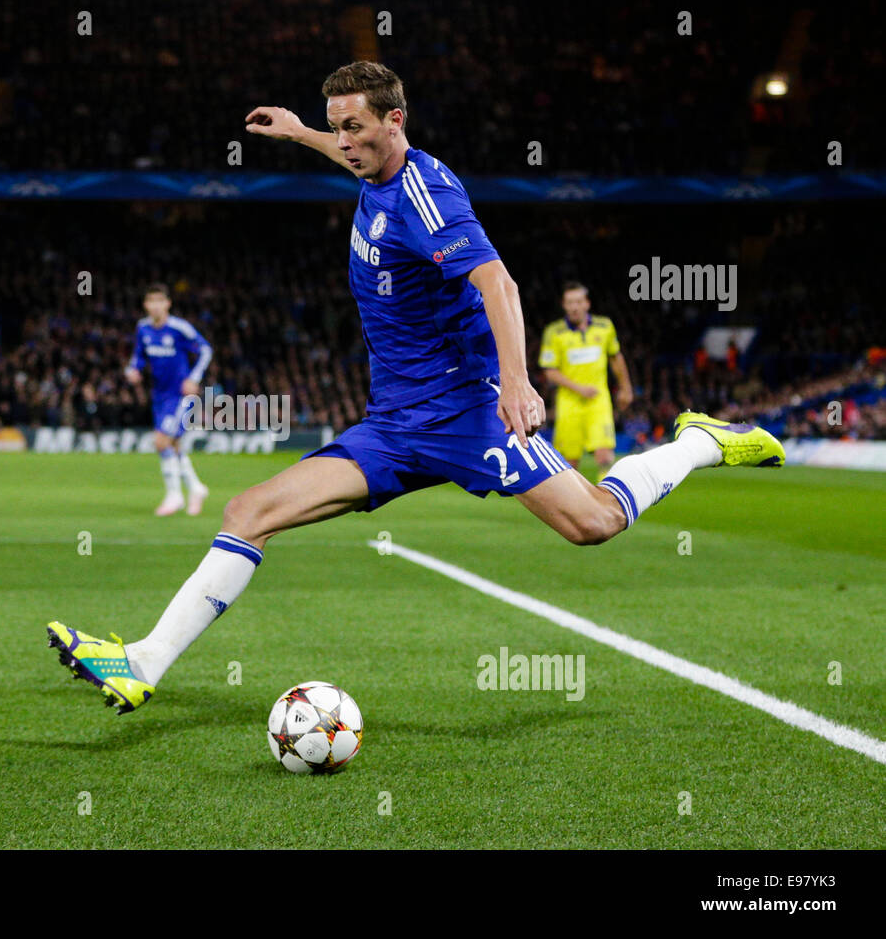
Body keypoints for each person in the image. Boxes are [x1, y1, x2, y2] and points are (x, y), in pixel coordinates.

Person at [47, 61, 784, 713]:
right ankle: (143, 662)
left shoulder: (427, 196)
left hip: (468, 415)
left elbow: (497, 279)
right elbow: (360, 164)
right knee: (249, 509)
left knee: (592, 523)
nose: (346, 141)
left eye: (356, 128)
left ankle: (695, 443)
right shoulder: (378, 172)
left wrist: (518, 383)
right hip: (394, 424)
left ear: (396, 120)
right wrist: (304, 132)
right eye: (338, 128)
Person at [125, 283, 212, 516]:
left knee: (161, 441)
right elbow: (139, 355)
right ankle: (196, 488)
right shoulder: (142, 328)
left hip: (180, 394)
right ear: (145, 305)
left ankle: (174, 496)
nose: (155, 306)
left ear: (167, 304)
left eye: (159, 301)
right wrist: (133, 369)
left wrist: (194, 378)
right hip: (160, 395)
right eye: (150, 302)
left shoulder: (179, 328)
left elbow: (205, 349)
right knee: (173, 445)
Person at [538, 281, 633, 479]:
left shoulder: (604, 326)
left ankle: (607, 500)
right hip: (569, 403)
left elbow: (616, 358)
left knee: (605, 454)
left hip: (598, 400)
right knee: (569, 462)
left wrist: (626, 388)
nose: (574, 307)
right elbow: (549, 371)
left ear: (587, 303)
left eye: (578, 301)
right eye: (570, 302)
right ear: (564, 305)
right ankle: (574, 505)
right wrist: (578, 388)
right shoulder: (554, 333)